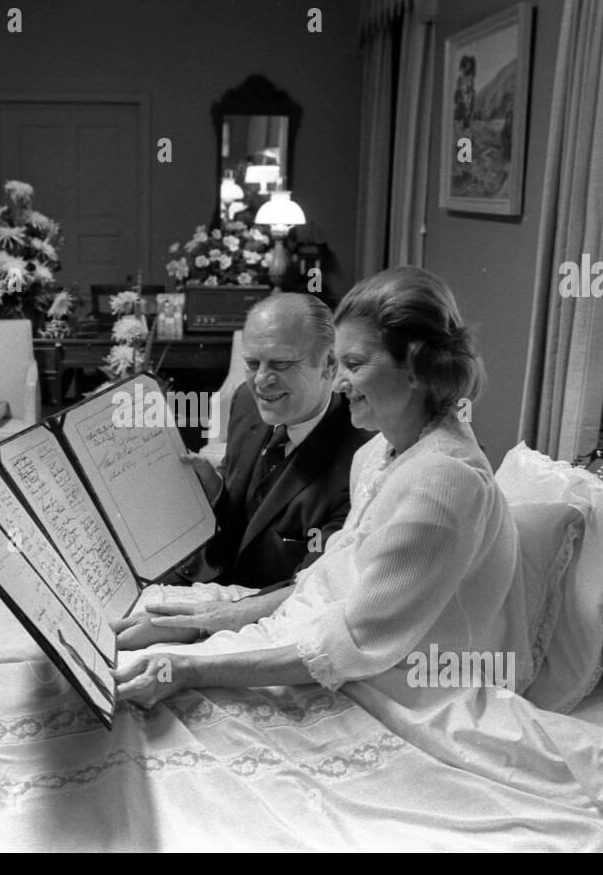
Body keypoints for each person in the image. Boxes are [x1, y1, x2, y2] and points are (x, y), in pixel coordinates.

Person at [114, 266, 531, 707]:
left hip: (414, 685)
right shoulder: (380, 452)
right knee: (128, 649)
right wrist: (205, 622)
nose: (339, 382)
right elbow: (324, 581)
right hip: (321, 638)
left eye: (354, 364)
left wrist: (190, 668)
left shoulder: (442, 481)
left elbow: (353, 645)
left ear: (416, 368)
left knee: (144, 707)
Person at [116, 291, 373, 648]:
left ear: (329, 364)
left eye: (280, 364)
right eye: (252, 364)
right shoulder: (246, 403)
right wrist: (215, 490)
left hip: (267, 618)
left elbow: (319, 588)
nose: (261, 381)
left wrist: (194, 624)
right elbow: (244, 519)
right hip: (201, 580)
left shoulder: (364, 457)